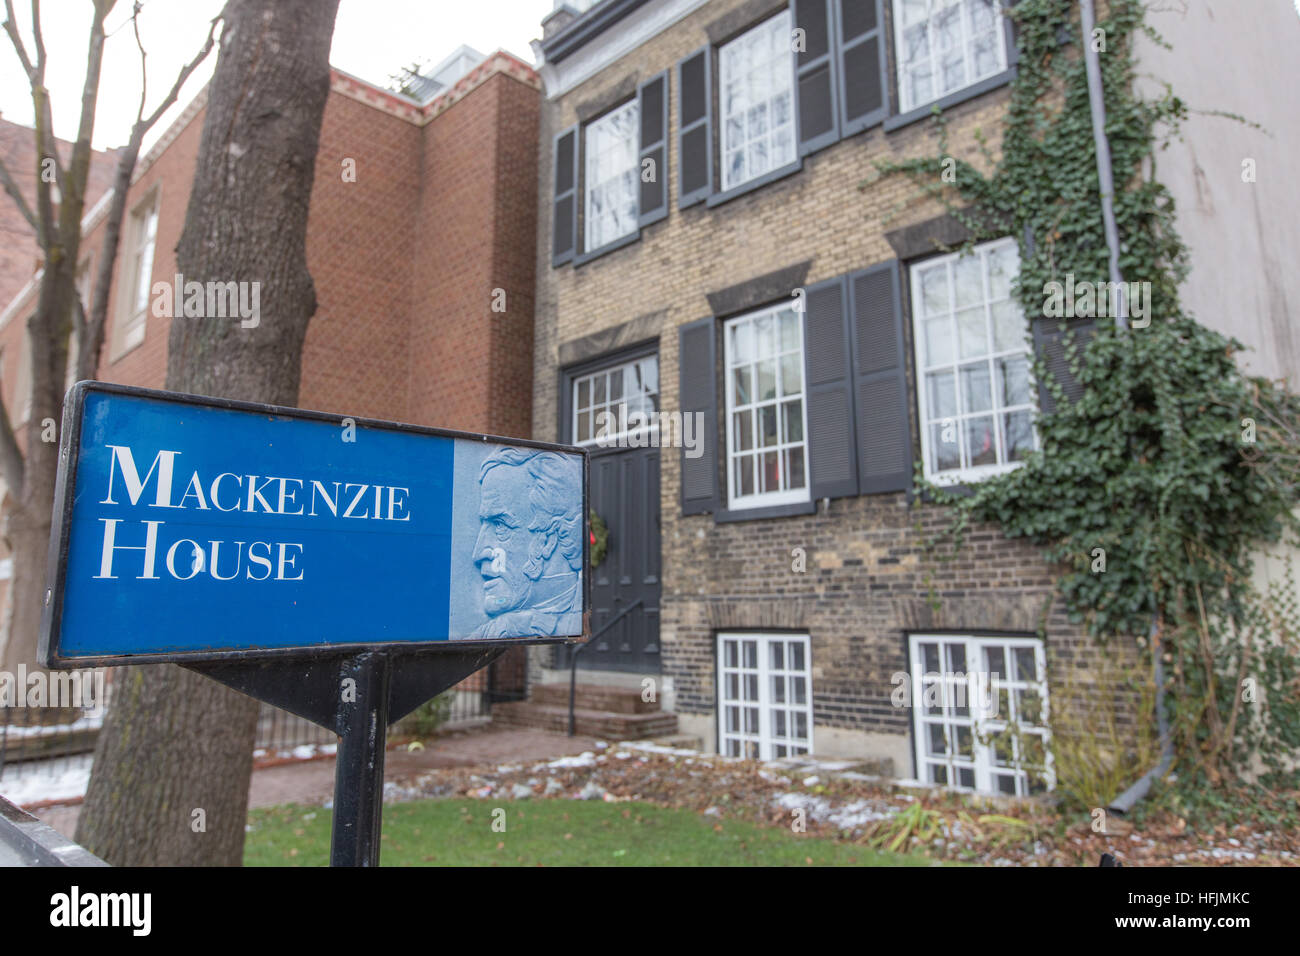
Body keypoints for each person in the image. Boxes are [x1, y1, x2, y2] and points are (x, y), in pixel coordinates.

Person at [469, 447, 582, 638]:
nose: (478, 553)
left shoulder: (576, 619)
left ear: (548, 539)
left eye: (500, 525)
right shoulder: (487, 632)